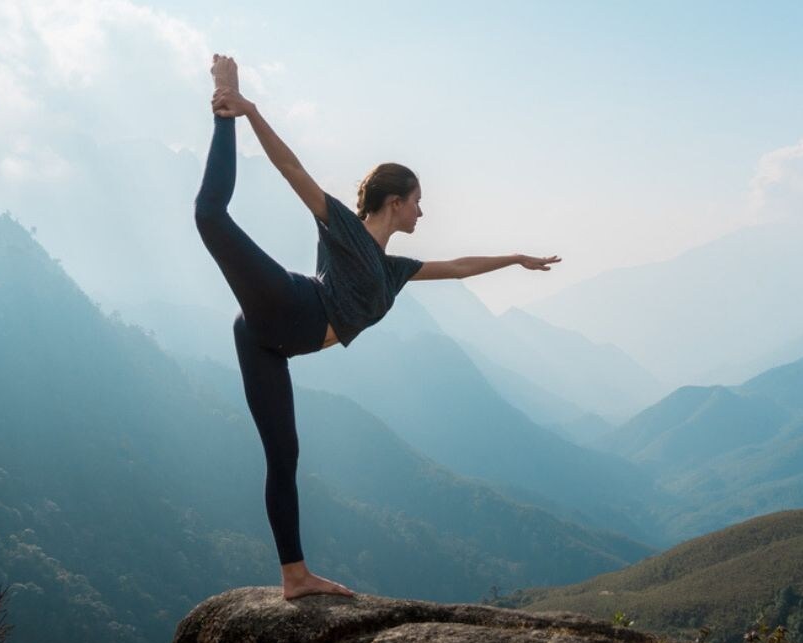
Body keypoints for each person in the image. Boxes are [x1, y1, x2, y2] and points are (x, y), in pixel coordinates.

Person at [195, 54, 560, 600]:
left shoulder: (395, 270)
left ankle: (294, 576)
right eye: (418, 202)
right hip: (293, 308)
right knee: (210, 216)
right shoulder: (344, 228)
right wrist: (246, 109)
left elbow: (458, 267)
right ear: (395, 201)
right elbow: (292, 169)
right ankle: (222, 105)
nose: (422, 213)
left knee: (284, 456)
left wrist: (514, 258)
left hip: (270, 342)